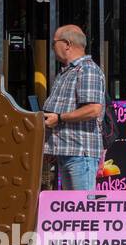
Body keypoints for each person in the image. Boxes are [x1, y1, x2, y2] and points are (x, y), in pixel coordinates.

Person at [42, 25, 106, 191]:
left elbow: (93, 109)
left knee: (82, 210)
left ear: (67, 44)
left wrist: (59, 118)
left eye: (53, 43)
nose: (52, 48)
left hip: (80, 154)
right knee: (73, 211)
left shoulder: (87, 70)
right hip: (68, 152)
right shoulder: (67, 72)